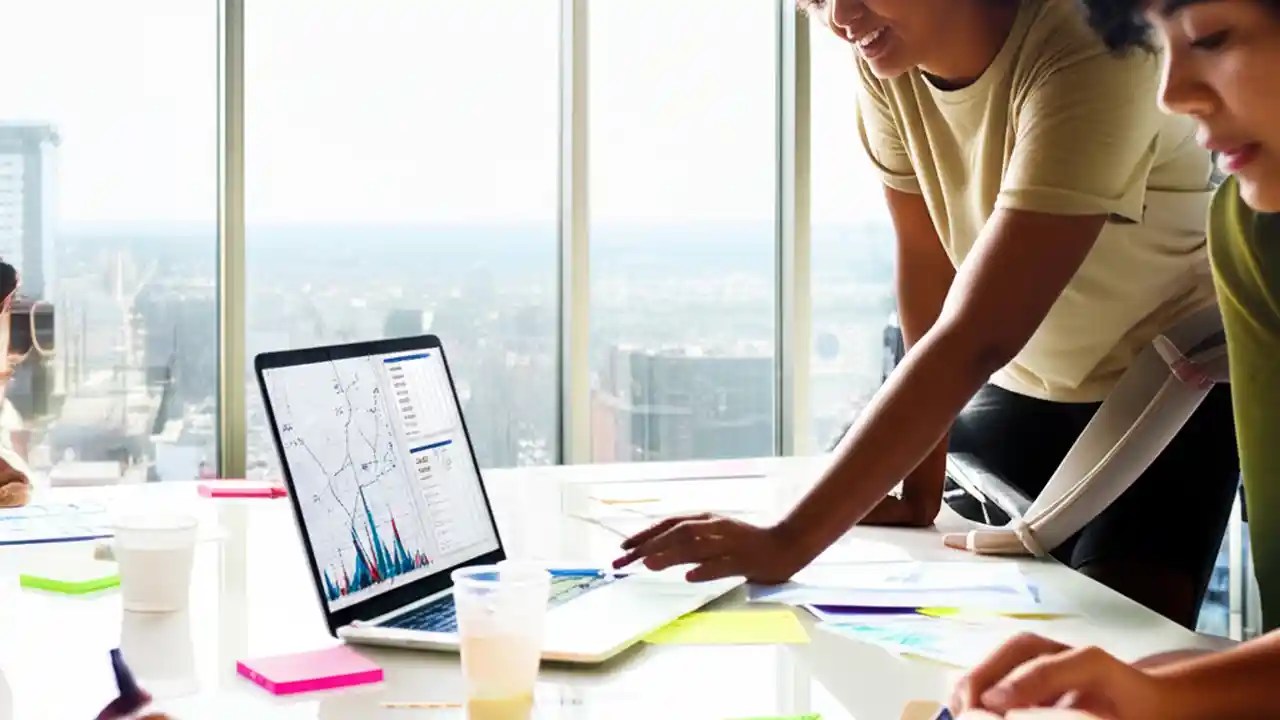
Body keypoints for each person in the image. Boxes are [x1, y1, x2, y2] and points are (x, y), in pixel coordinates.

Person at [613, 0, 1239, 628]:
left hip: (1168, 389)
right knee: (906, 601)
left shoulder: (1090, 43)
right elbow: (927, 264)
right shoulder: (889, 56)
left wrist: (786, 542)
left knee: (1114, 648)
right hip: (1022, 380)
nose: (839, 16)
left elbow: (978, 332)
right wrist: (921, 488)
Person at [951, 0, 1280, 716]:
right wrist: (1153, 688)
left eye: (1213, 38)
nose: (1171, 95)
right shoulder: (1253, 235)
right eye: (1161, 47)